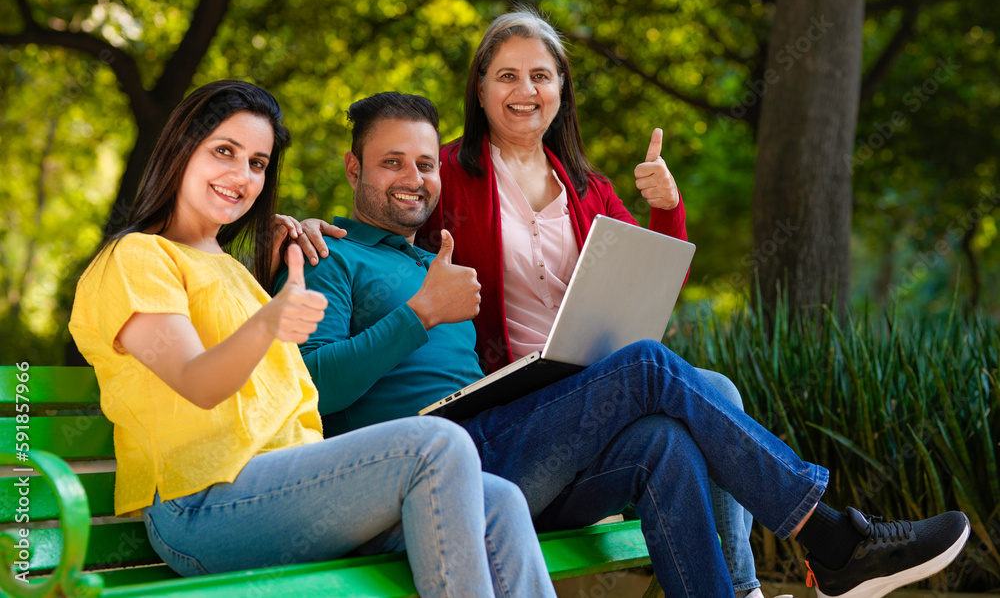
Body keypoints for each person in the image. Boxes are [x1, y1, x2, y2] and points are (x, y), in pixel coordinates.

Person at [282, 90, 970, 598]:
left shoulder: (441, 254)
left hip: (504, 453)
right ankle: (832, 536)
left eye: (426, 163)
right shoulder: (327, 256)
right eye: (390, 162)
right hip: (423, 470)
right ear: (352, 168)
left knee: (663, 444)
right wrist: (420, 313)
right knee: (642, 366)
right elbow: (316, 385)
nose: (412, 178)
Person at [302, 8, 762, 595]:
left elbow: (652, 280)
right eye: (507, 76)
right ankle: (814, 539)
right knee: (683, 408)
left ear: (562, 89)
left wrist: (667, 209)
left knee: (708, 399)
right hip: (510, 402)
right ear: (481, 88)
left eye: (541, 76)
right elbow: (383, 220)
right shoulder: (446, 170)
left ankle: (744, 588)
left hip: (592, 384)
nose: (526, 90)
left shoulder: (587, 185)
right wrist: (298, 226)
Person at [68, 80, 557, 598]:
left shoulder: (238, 274)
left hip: (287, 490)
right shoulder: (137, 258)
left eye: (257, 163)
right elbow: (196, 382)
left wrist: (273, 272)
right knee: (435, 445)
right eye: (224, 151)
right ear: (181, 149)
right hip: (201, 505)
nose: (241, 175)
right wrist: (273, 316)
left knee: (497, 502)